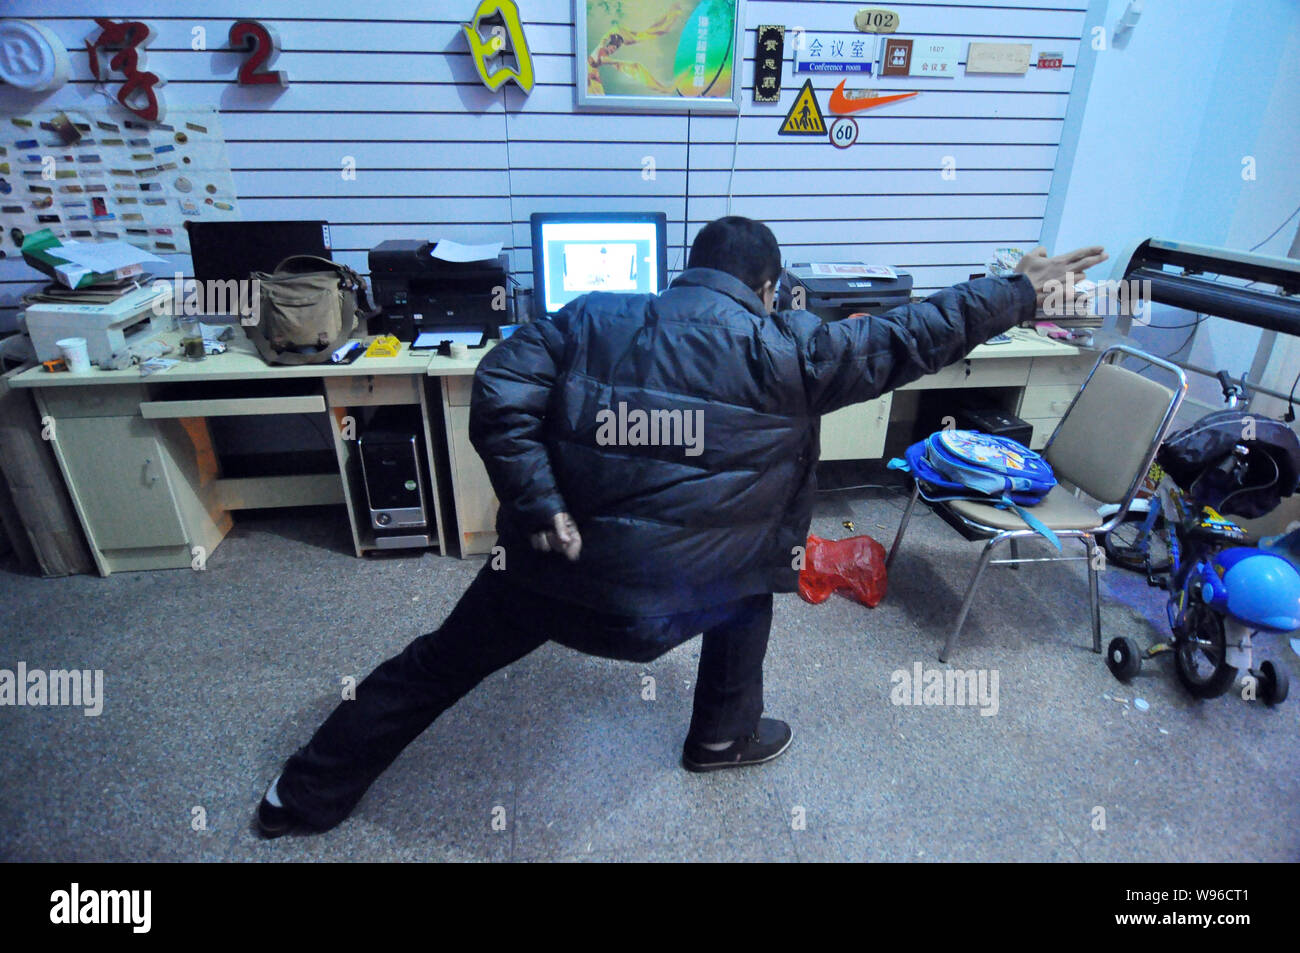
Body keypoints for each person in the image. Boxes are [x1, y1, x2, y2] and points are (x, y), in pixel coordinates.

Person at [256, 216, 1106, 837]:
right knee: (758, 581)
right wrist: (1022, 289)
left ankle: (301, 797)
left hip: (551, 577)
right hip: (694, 597)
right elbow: (911, 336)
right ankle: (721, 736)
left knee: (435, 663)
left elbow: (500, 394)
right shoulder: (792, 347)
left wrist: (541, 506)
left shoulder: (589, 316)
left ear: (681, 271)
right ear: (768, 287)